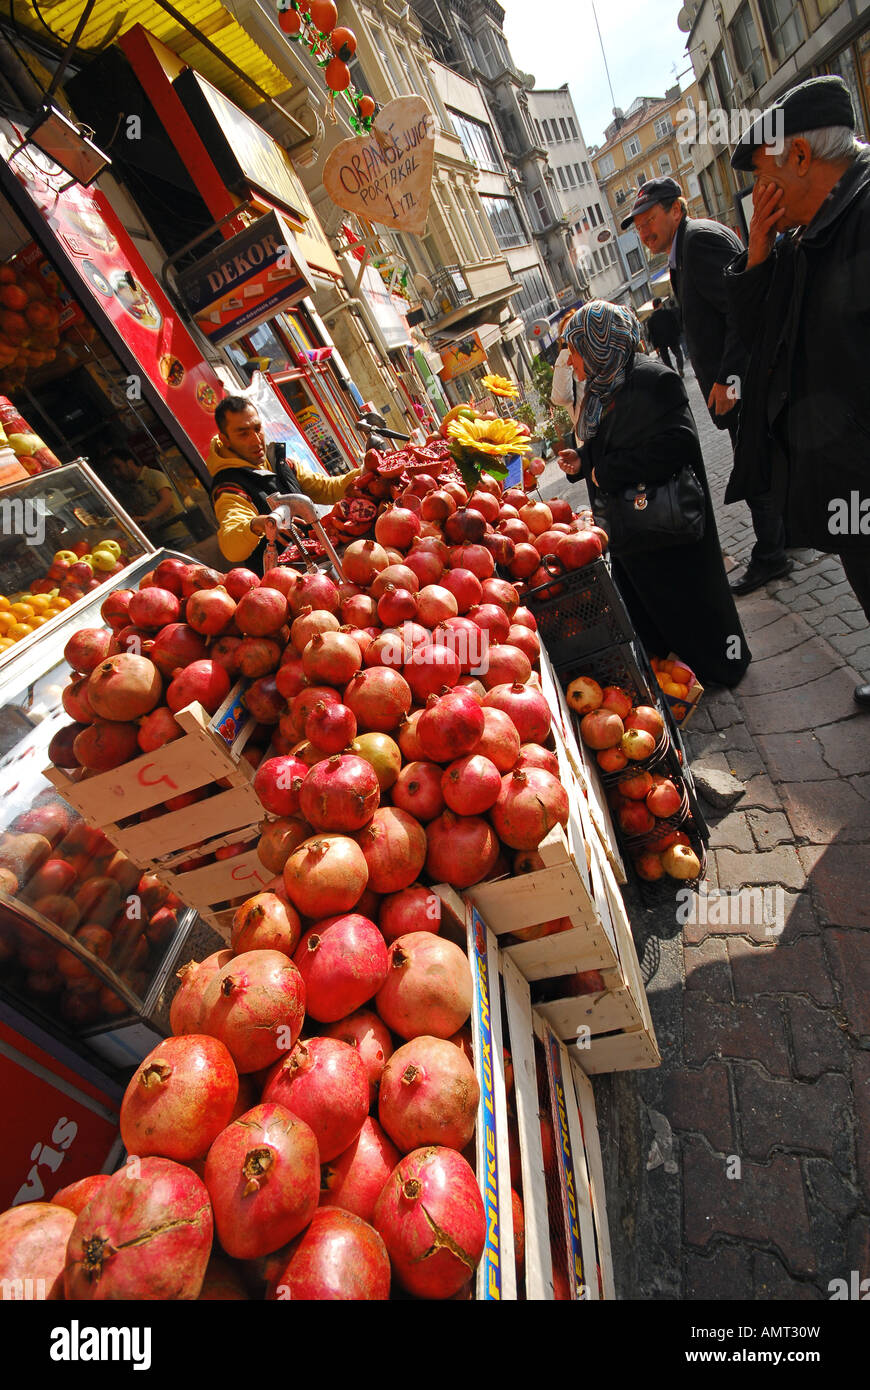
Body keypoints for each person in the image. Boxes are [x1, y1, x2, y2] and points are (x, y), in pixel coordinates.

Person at [725, 74, 870, 709]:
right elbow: (753, 328)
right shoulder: (804, 237)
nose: (761, 193)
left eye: (765, 174)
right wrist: (758, 246)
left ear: (803, 157)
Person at [556, 300, 751, 688]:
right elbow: (614, 441)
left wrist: (605, 471)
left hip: (667, 521)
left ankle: (718, 669)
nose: (570, 361)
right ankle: (677, 676)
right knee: (656, 605)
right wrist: (582, 462)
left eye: (575, 349)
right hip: (635, 525)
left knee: (688, 602)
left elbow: (675, 445)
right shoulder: (604, 384)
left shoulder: (653, 379)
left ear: (601, 343)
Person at [622, 175, 792, 596]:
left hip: (744, 380)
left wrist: (725, 379)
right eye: (638, 225)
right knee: (765, 459)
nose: (644, 232)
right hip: (745, 378)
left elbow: (742, 310)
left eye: (650, 219)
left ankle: (773, 554)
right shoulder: (688, 244)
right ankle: (788, 536)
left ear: (676, 208)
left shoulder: (696, 242)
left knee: (754, 466)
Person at [207, 395, 361, 573]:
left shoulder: (279, 462)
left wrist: (364, 471)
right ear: (225, 439)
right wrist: (259, 524)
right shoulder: (229, 487)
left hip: (323, 564)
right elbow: (232, 547)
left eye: (257, 429)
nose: (256, 440)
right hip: (289, 583)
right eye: (243, 434)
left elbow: (327, 489)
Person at [104, 450, 189, 546]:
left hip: (179, 535)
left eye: (117, 467)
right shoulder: (132, 487)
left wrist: (148, 517)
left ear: (130, 463)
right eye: (112, 470)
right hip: (161, 540)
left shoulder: (153, 476)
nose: (115, 473)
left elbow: (167, 501)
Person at [645, 297, 684, 376]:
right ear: (660, 304)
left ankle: (672, 372)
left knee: (666, 359)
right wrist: (678, 333)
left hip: (661, 342)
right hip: (672, 338)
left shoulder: (651, 320)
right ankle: (680, 367)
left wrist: (655, 345)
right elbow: (675, 324)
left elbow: (651, 333)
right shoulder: (668, 313)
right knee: (678, 353)